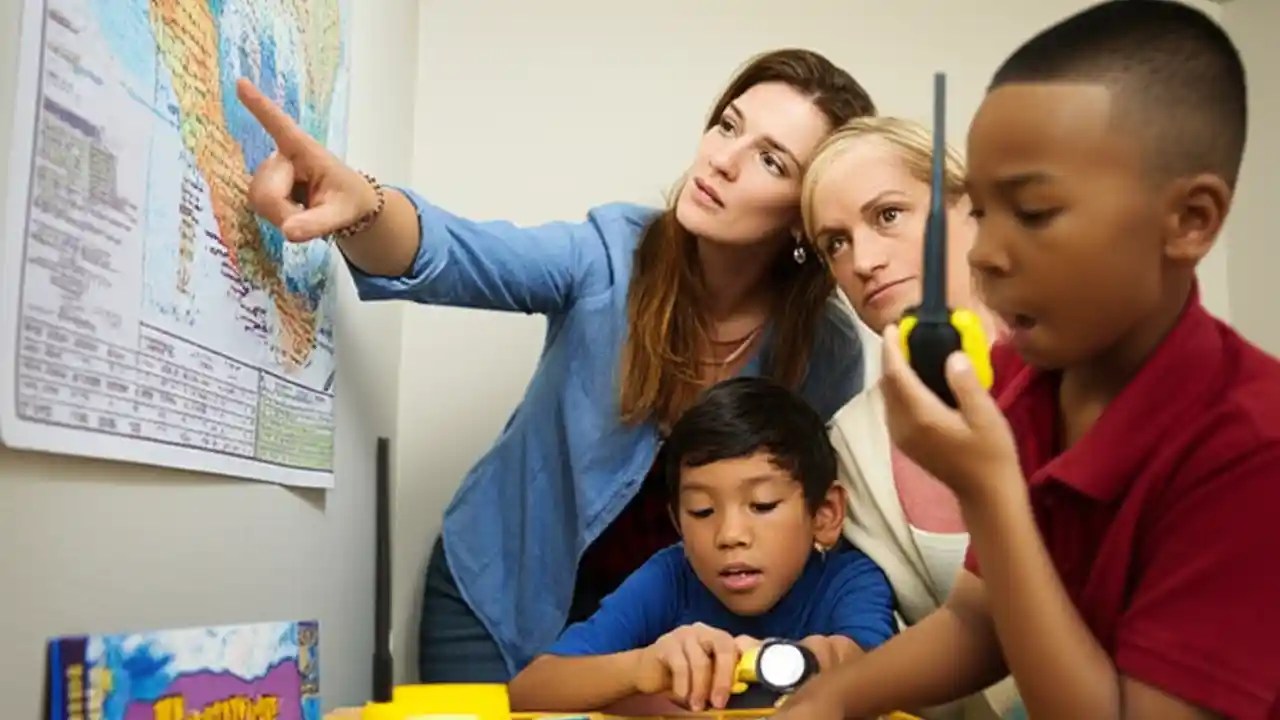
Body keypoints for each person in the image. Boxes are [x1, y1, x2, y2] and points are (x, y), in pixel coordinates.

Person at [233, 48, 876, 682]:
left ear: (804, 217)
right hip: (497, 600)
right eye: (728, 125)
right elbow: (461, 253)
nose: (723, 160)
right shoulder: (612, 254)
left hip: (653, 634)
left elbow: (803, 508)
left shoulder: (827, 350)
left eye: (770, 159)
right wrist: (361, 206)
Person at [776, 2, 1280, 719]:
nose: (986, 251)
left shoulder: (1252, 445)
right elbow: (981, 626)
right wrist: (826, 702)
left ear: (1188, 221)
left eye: (1035, 212)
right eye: (985, 210)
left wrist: (987, 493)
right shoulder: (1028, 388)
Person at [507, 377, 896, 713]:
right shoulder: (670, 576)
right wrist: (644, 667)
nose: (730, 535)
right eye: (702, 510)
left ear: (825, 513)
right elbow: (531, 688)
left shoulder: (850, 580)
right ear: (677, 522)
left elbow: (875, 670)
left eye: (762, 505)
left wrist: (814, 661)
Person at [800, 117, 1017, 720]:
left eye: (887, 215)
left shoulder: (1089, 367)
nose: (863, 261)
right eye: (835, 243)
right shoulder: (848, 446)